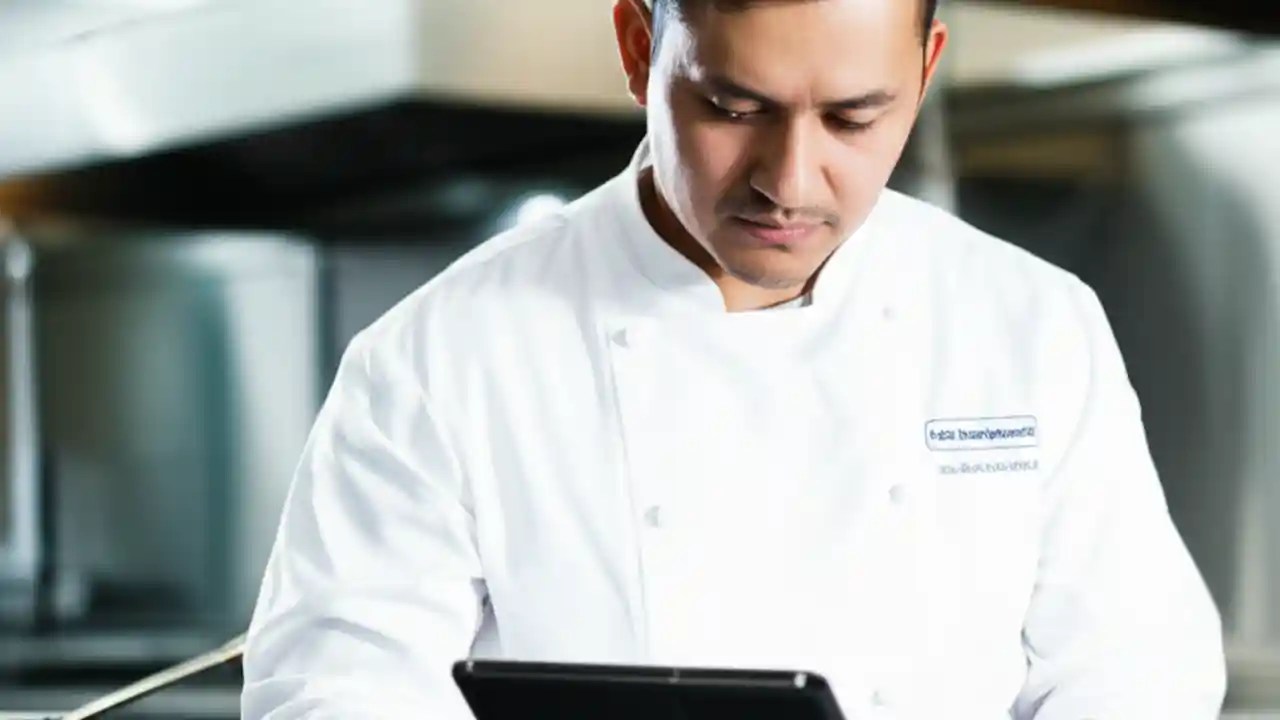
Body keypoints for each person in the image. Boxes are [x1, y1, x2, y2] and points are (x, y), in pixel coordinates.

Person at [241, 0, 1227, 717]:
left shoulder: (1032, 326)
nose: (789, 182)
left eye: (852, 117)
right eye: (734, 107)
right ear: (637, 48)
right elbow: (339, 694)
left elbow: (1133, 673)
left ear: (923, 72)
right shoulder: (439, 359)